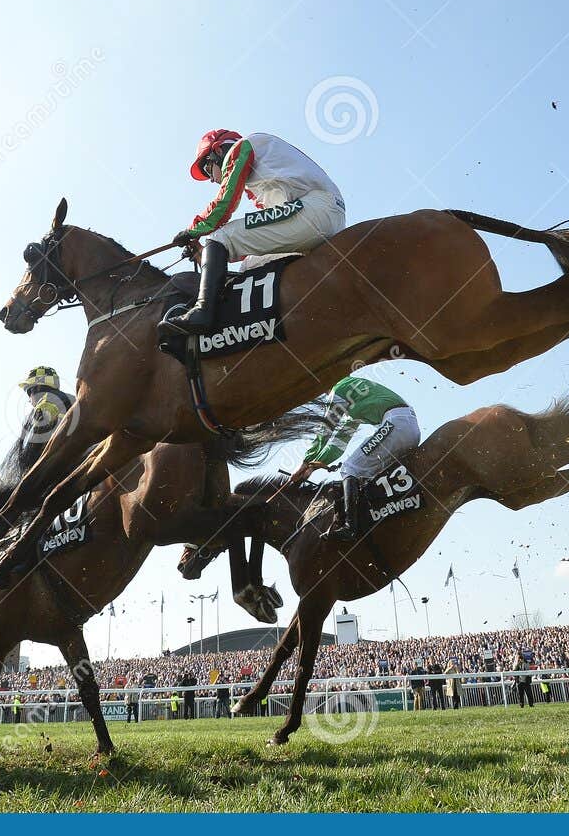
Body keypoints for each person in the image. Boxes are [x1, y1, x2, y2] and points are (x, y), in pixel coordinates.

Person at [159, 129, 348, 337]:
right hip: (321, 216)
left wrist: (193, 230)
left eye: (207, 168)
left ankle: (202, 312)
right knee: (249, 265)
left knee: (219, 236)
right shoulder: (264, 172)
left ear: (218, 151)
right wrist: (207, 255)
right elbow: (259, 237)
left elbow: (224, 205)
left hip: (313, 209)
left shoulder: (241, 147)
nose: (210, 179)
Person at [289, 375, 421, 541]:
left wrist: (304, 462)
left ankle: (350, 528)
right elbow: (338, 445)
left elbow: (325, 429)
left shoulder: (338, 388)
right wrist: (311, 468)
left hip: (396, 425)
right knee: (365, 475)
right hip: (409, 429)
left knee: (350, 468)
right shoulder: (355, 398)